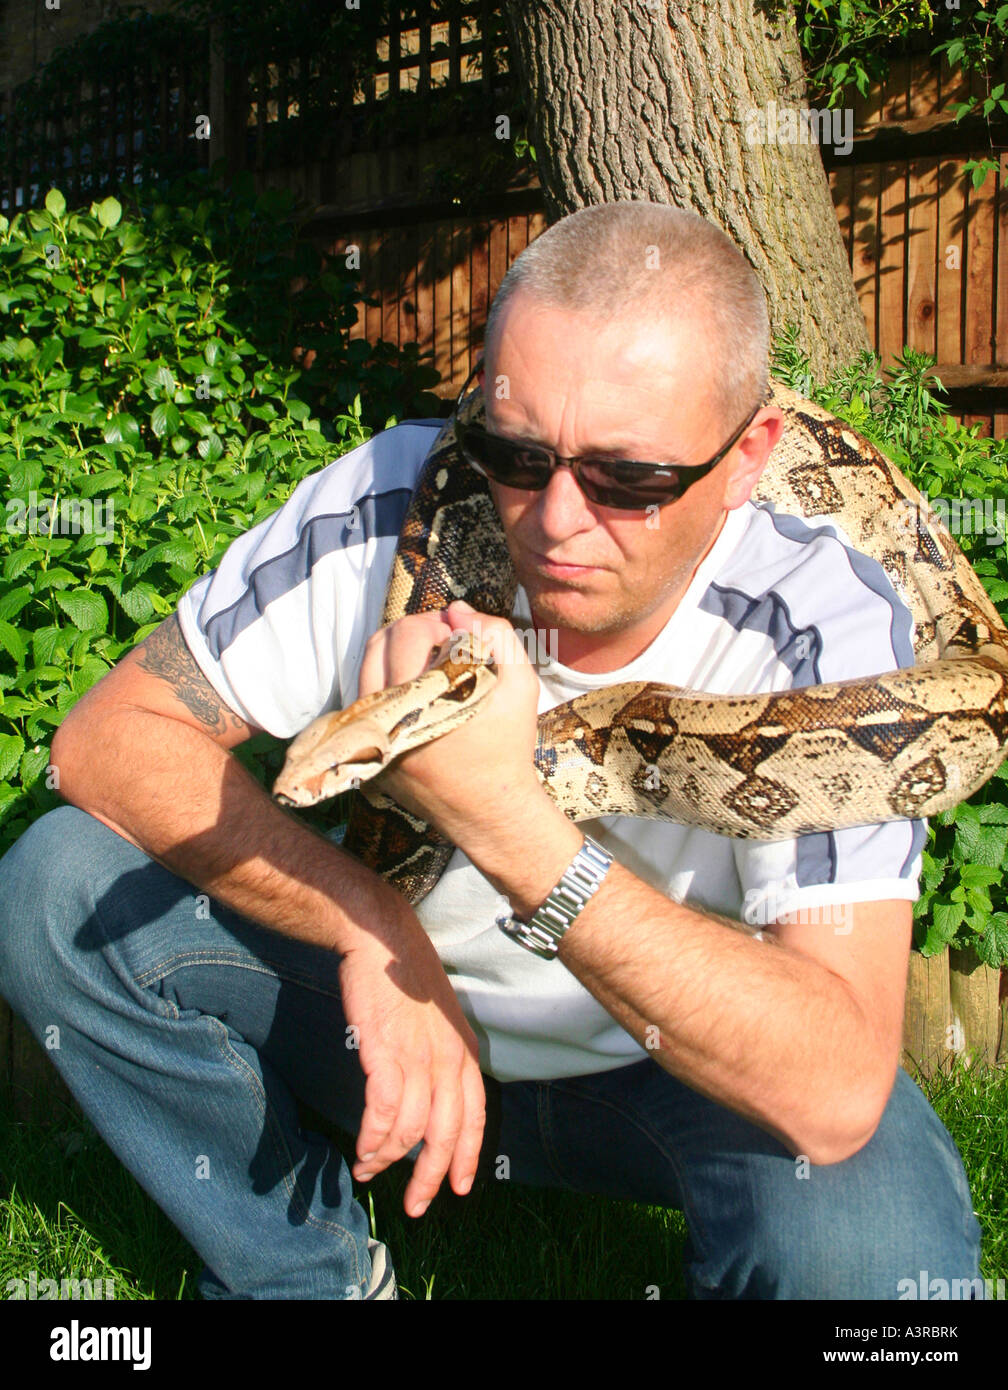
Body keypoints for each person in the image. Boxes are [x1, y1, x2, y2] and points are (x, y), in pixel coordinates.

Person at [0, 202, 982, 1300]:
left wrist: (505, 820)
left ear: (751, 455)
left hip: (679, 1068)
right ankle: (304, 1277)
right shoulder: (388, 505)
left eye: (629, 479)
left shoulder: (822, 619)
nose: (557, 518)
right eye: (518, 455)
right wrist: (370, 925)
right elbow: (102, 743)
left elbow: (838, 1080)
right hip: (389, 1025)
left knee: (870, 1260)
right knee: (56, 884)